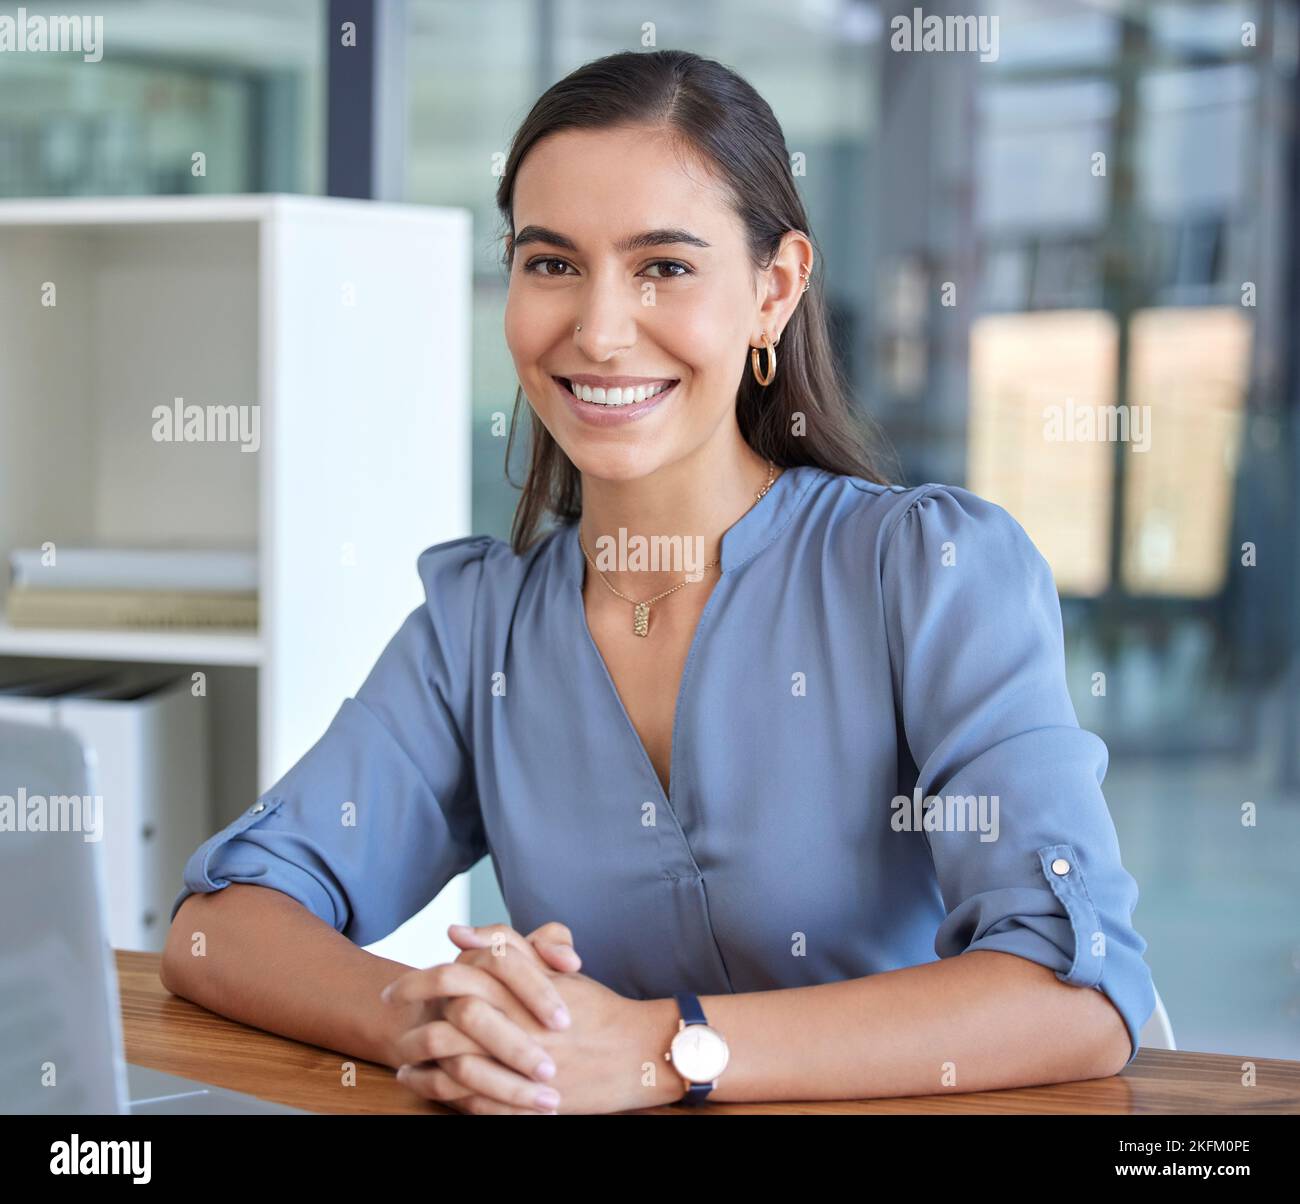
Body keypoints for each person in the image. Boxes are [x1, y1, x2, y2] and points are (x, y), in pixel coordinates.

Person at [162, 48, 1156, 1115]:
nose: (595, 331)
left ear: (772, 290)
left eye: (663, 268)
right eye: (549, 264)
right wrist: (445, 1016)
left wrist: (658, 1047)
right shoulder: (479, 629)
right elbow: (220, 924)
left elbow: (1077, 992)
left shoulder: (929, 575)